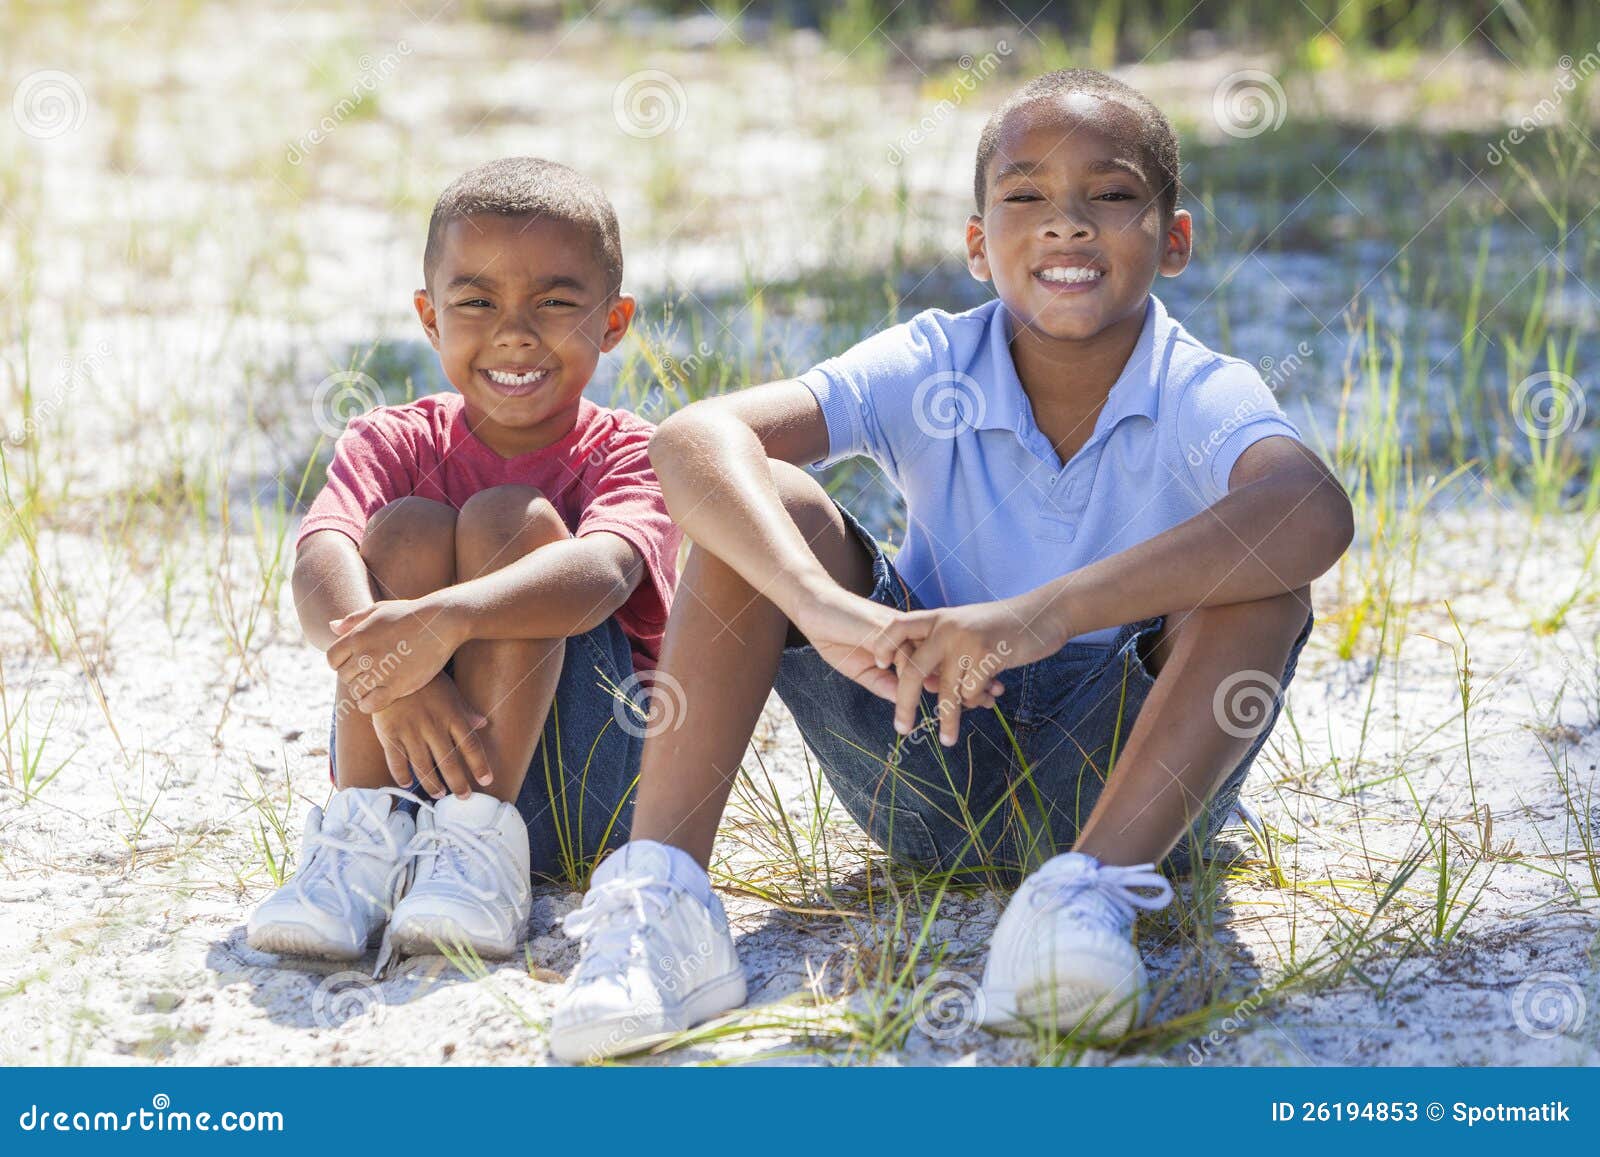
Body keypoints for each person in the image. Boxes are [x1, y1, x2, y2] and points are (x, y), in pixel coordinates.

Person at [548, 70, 1351, 1063]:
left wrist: (1039, 614)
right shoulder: (932, 361)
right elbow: (694, 437)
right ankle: (664, 900)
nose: (1064, 225)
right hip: (919, 745)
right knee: (768, 510)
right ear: (978, 245)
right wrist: (823, 607)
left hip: (1131, 789)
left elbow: (1312, 509)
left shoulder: (1198, 389)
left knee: (1264, 569)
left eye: (1108, 194)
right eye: (1024, 197)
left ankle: (1078, 905)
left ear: (1172, 240)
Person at [248, 157, 681, 970]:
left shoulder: (632, 451)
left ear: (614, 321)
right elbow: (316, 562)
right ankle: (359, 851)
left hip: (576, 786)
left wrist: (446, 619)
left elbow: (608, 573)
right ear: (429, 316)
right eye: (477, 302)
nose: (514, 331)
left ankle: (481, 849)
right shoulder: (392, 438)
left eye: (555, 303)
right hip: (402, 759)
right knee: (404, 529)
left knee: (506, 520)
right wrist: (400, 677)